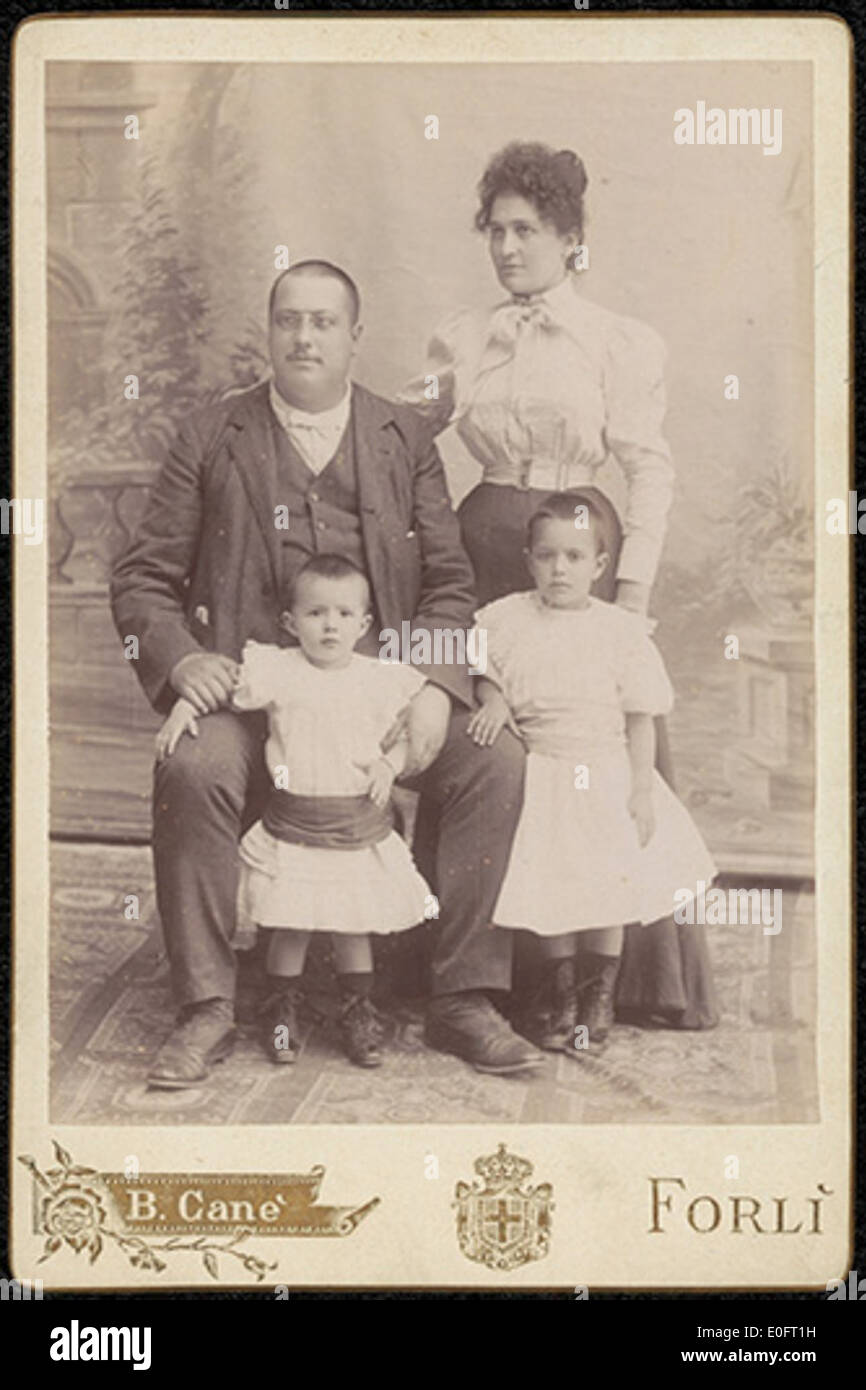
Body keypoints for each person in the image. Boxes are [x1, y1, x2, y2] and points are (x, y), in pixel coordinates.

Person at [111, 259, 544, 1089]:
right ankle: (206, 1002)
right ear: (270, 332)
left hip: (380, 690)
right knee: (192, 765)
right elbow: (142, 576)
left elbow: (451, 580)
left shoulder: (403, 439)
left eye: (322, 322)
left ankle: (463, 996)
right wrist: (184, 658)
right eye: (288, 320)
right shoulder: (210, 436)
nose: (304, 336)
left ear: (355, 337)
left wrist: (429, 682)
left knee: (494, 760)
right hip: (254, 693)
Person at [399, 141, 719, 1029]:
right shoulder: (461, 336)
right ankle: (474, 976)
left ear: (571, 238)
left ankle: (603, 981)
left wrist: (633, 594)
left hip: (575, 547)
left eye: (527, 230)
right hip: (482, 549)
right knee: (499, 755)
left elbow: (649, 469)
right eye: (494, 230)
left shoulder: (619, 340)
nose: (506, 248)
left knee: (591, 746)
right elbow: (403, 436)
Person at [154, 553, 433, 1070]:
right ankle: (281, 1008)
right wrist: (183, 707)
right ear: (290, 622)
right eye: (316, 613)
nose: (330, 625)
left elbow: (406, 733)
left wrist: (389, 768)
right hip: (296, 823)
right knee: (291, 923)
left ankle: (357, 1009)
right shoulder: (278, 670)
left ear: (364, 624)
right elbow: (224, 692)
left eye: (345, 615)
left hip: (353, 822)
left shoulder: (379, 678)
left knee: (353, 925)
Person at [468, 493, 716, 1047]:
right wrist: (493, 699)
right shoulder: (506, 619)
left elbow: (641, 718)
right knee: (556, 885)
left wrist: (640, 792)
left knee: (608, 882)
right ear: (529, 558)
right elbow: (486, 672)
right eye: (548, 556)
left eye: (575, 557)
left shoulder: (619, 631)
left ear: (600, 567)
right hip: (546, 771)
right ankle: (561, 991)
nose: (560, 569)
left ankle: (597, 991)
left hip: (604, 770)